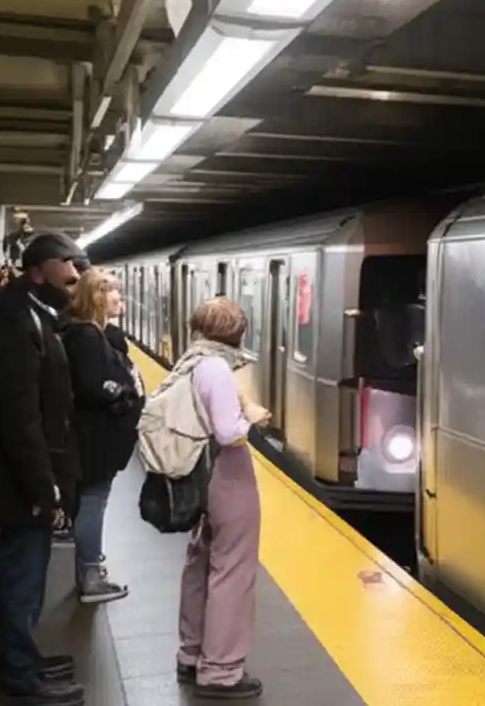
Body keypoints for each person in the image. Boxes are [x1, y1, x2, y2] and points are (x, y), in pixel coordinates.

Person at [0, 233, 86, 705]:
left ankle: (24, 656)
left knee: (30, 569)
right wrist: (42, 485)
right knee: (21, 574)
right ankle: (17, 674)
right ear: (38, 270)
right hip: (20, 475)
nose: (75, 275)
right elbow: (19, 414)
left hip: (29, 469)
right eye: (66, 264)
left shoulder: (33, 314)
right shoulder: (17, 321)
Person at [174, 298, 270, 700]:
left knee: (200, 562)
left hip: (200, 473)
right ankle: (222, 669)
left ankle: (192, 653)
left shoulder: (190, 360)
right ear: (236, 332)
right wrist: (254, 414)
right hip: (225, 474)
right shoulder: (216, 367)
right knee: (232, 570)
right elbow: (229, 433)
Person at [62, 269, 144, 603]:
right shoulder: (86, 336)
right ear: (97, 296)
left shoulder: (93, 333)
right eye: (114, 293)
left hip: (95, 435)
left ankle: (90, 569)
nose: (120, 299)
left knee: (93, 501)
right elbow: (92, 386)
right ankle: (91, 574)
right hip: (94, 437)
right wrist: (124, 393)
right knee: (93, 503)